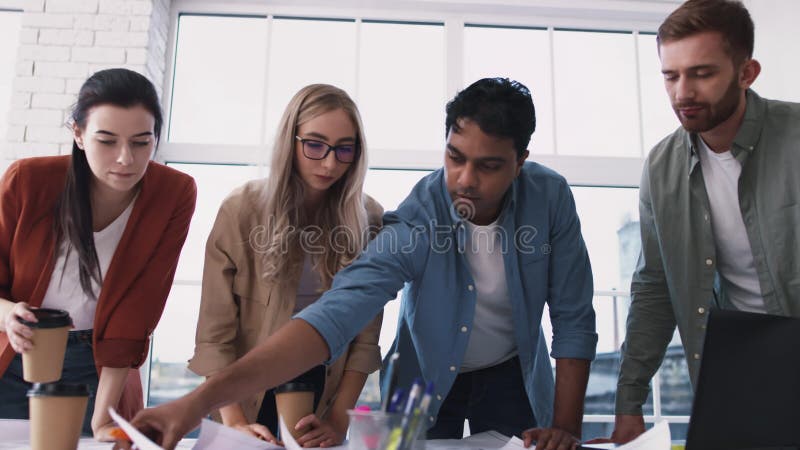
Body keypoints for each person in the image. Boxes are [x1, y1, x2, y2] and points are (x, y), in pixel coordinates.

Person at [131, 77, 597, 450]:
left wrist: (565, 428)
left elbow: (573, 316)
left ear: (520, 162)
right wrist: (196, 404)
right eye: (455, 157)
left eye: (489, 166)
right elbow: (338, 313)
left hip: (513, 370)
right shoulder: (418, 218)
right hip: (422, 381)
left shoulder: (549, 197)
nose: (465, 180)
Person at [606, 0, 800, 443]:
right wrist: (629, 399)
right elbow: (655, 286)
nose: (682, 93)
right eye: (670, 76)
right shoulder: (661, 168)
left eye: (702, 73)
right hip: (736, 369)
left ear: (747, 72)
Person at [0, 68, 197, 439]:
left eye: (141, 142)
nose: (125, 158)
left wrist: (104, 415)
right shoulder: (28, 181)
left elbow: (138, 310)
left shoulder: (173, 193)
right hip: (14, 357)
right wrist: (11, 315)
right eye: (107, 141)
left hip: (102, 369)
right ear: (78, 134)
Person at [188, 84, 383, 447]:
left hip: (322, 392)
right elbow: (214, 336)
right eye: (314, 145)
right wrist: (234, 421)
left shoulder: (369, 219)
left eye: (344, 149)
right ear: (289, 141)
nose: (329, 163)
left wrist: (339, 419)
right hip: (241, 392)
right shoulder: (240, 211)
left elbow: (365, 336)